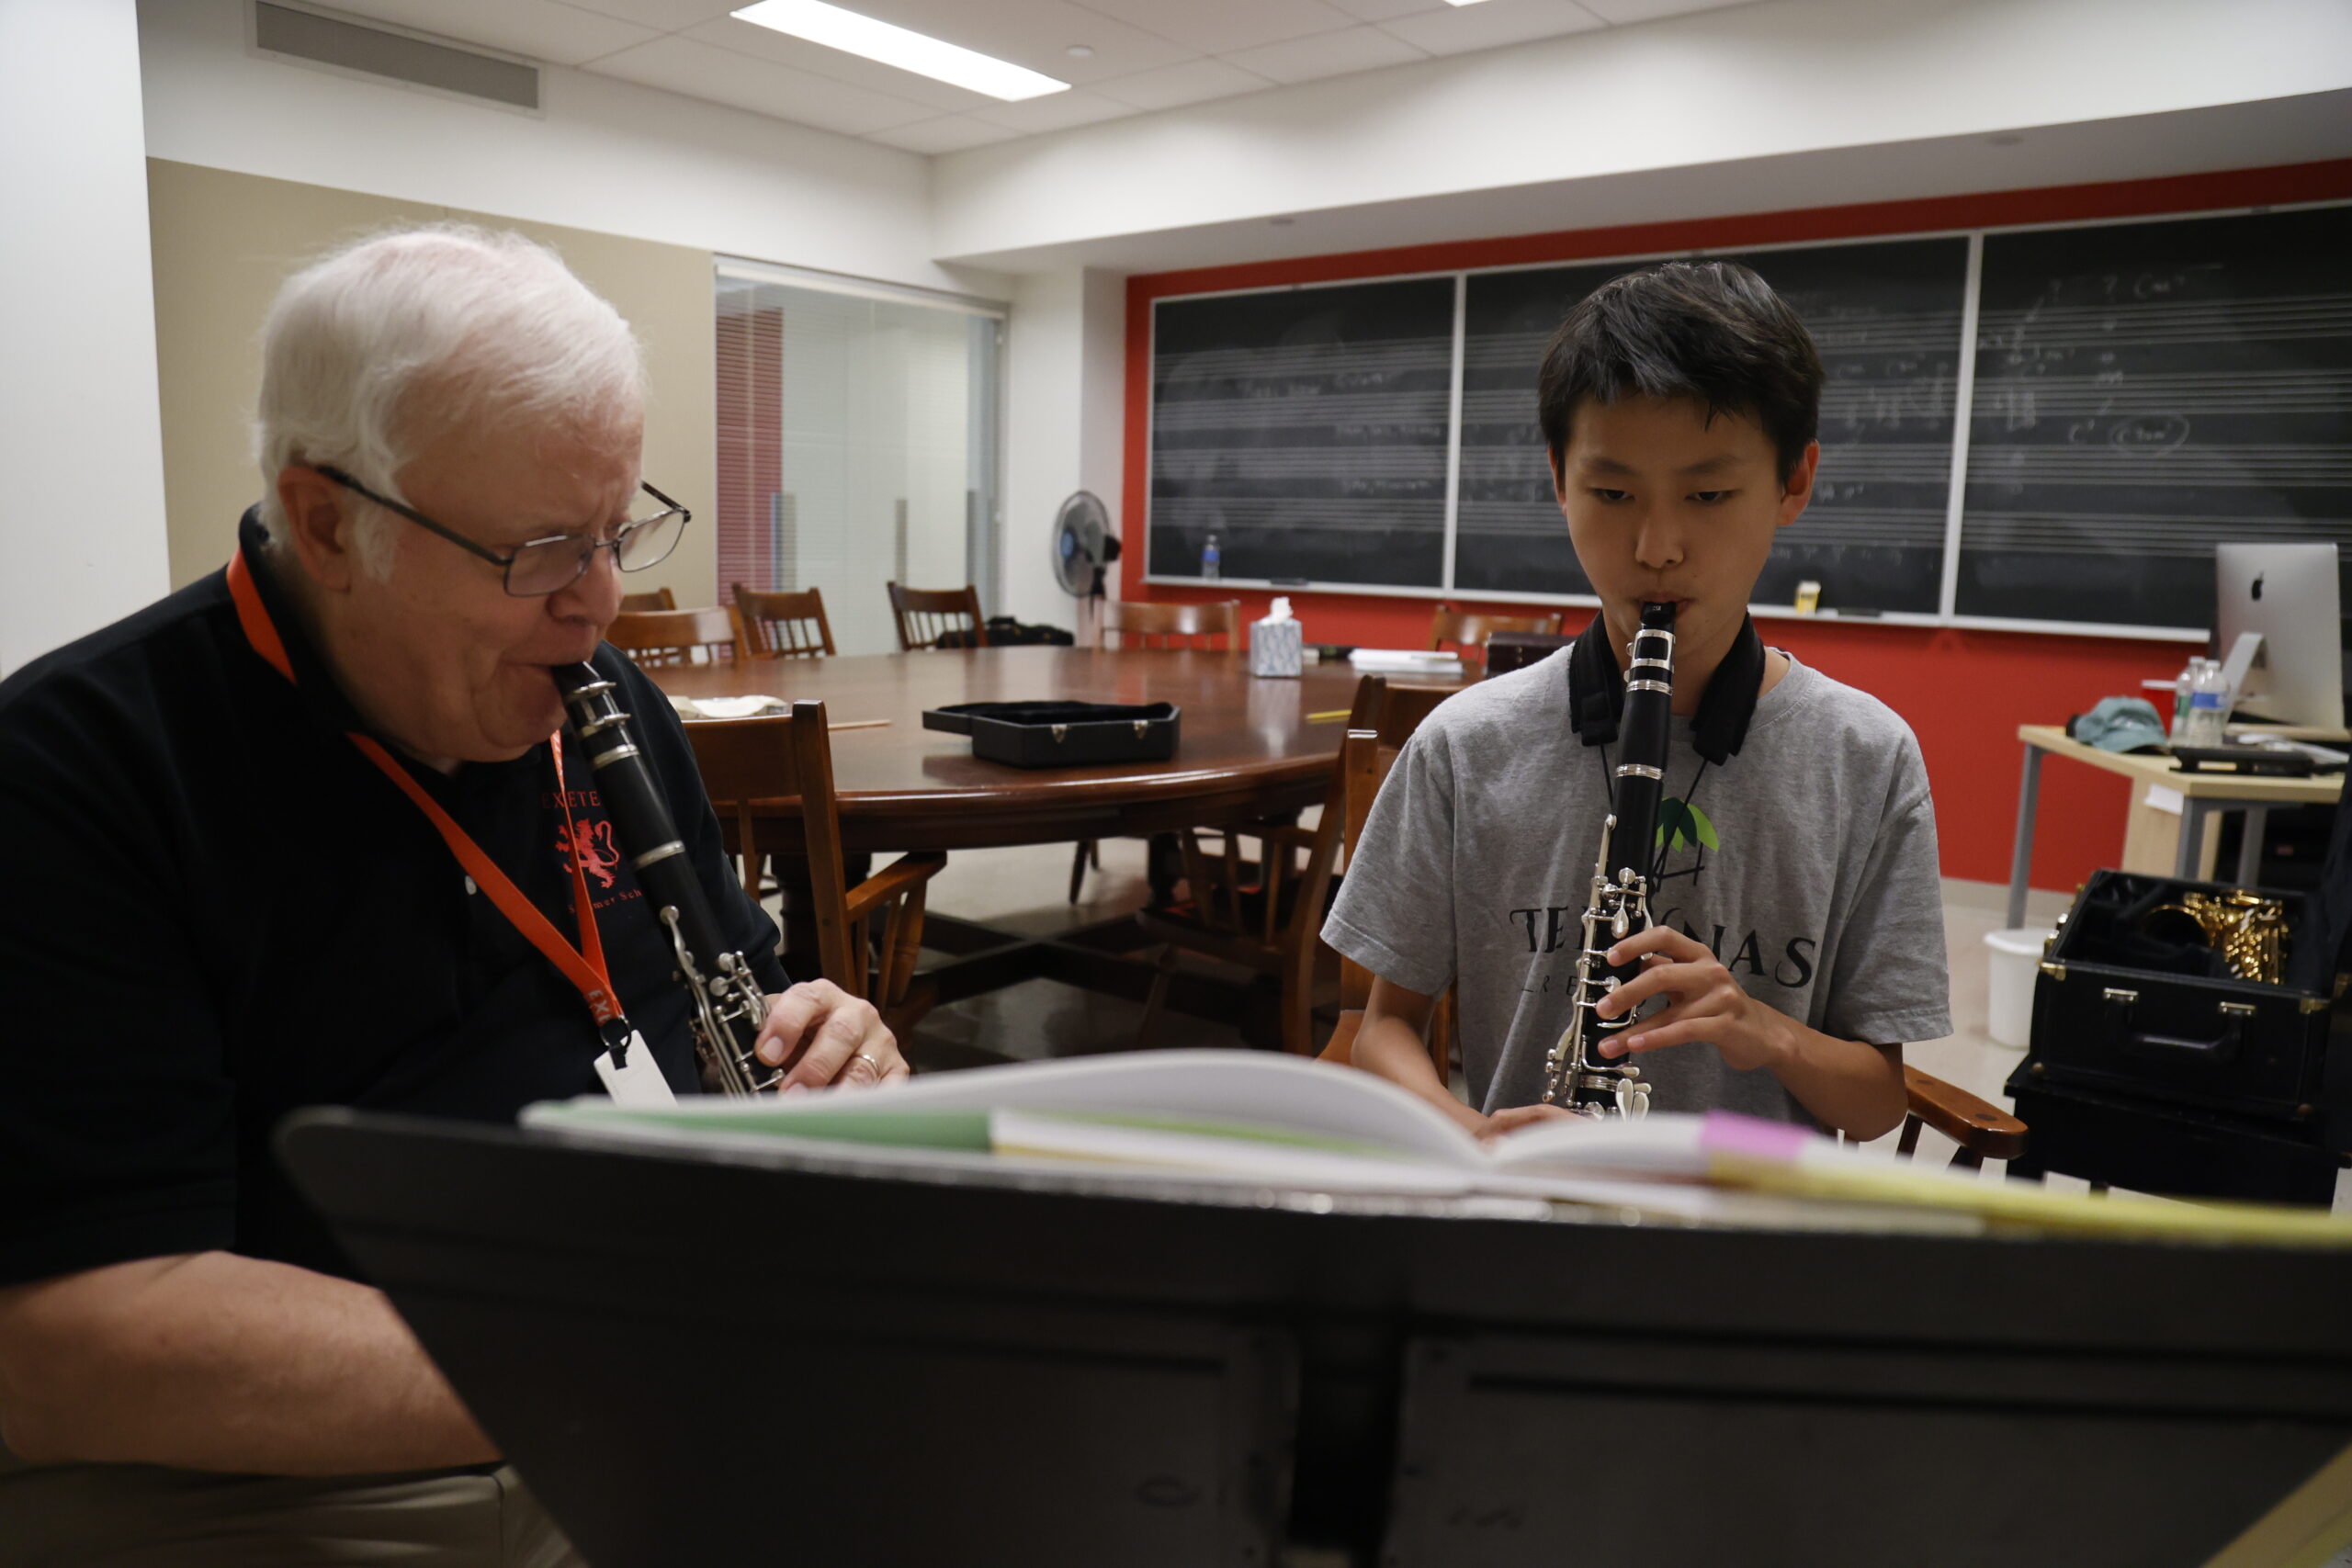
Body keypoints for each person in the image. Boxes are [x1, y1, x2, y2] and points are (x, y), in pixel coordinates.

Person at [0, 227, 903, 1564]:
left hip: (658, 1367)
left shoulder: (602, 705)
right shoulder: (75, 773)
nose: (600, 600)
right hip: (322, 1478)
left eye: (616, 529)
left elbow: (746, 996)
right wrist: (608, 1353)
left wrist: (834, 1042)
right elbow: (70, 1342)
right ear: (328, 522)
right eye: (541, 549)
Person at [1324, 260, 1950, 1142]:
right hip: (1533, 1213)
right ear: (1558, 477)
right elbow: (1382, 1025)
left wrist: (1762, 1028)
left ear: (1793, 483)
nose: (1656, 548)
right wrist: (1465, 1132)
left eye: (1710, 494)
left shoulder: (1867, 758)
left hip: (1742, 1239)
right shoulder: (1466, 745)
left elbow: (1879, 1101)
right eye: (1612, 494)